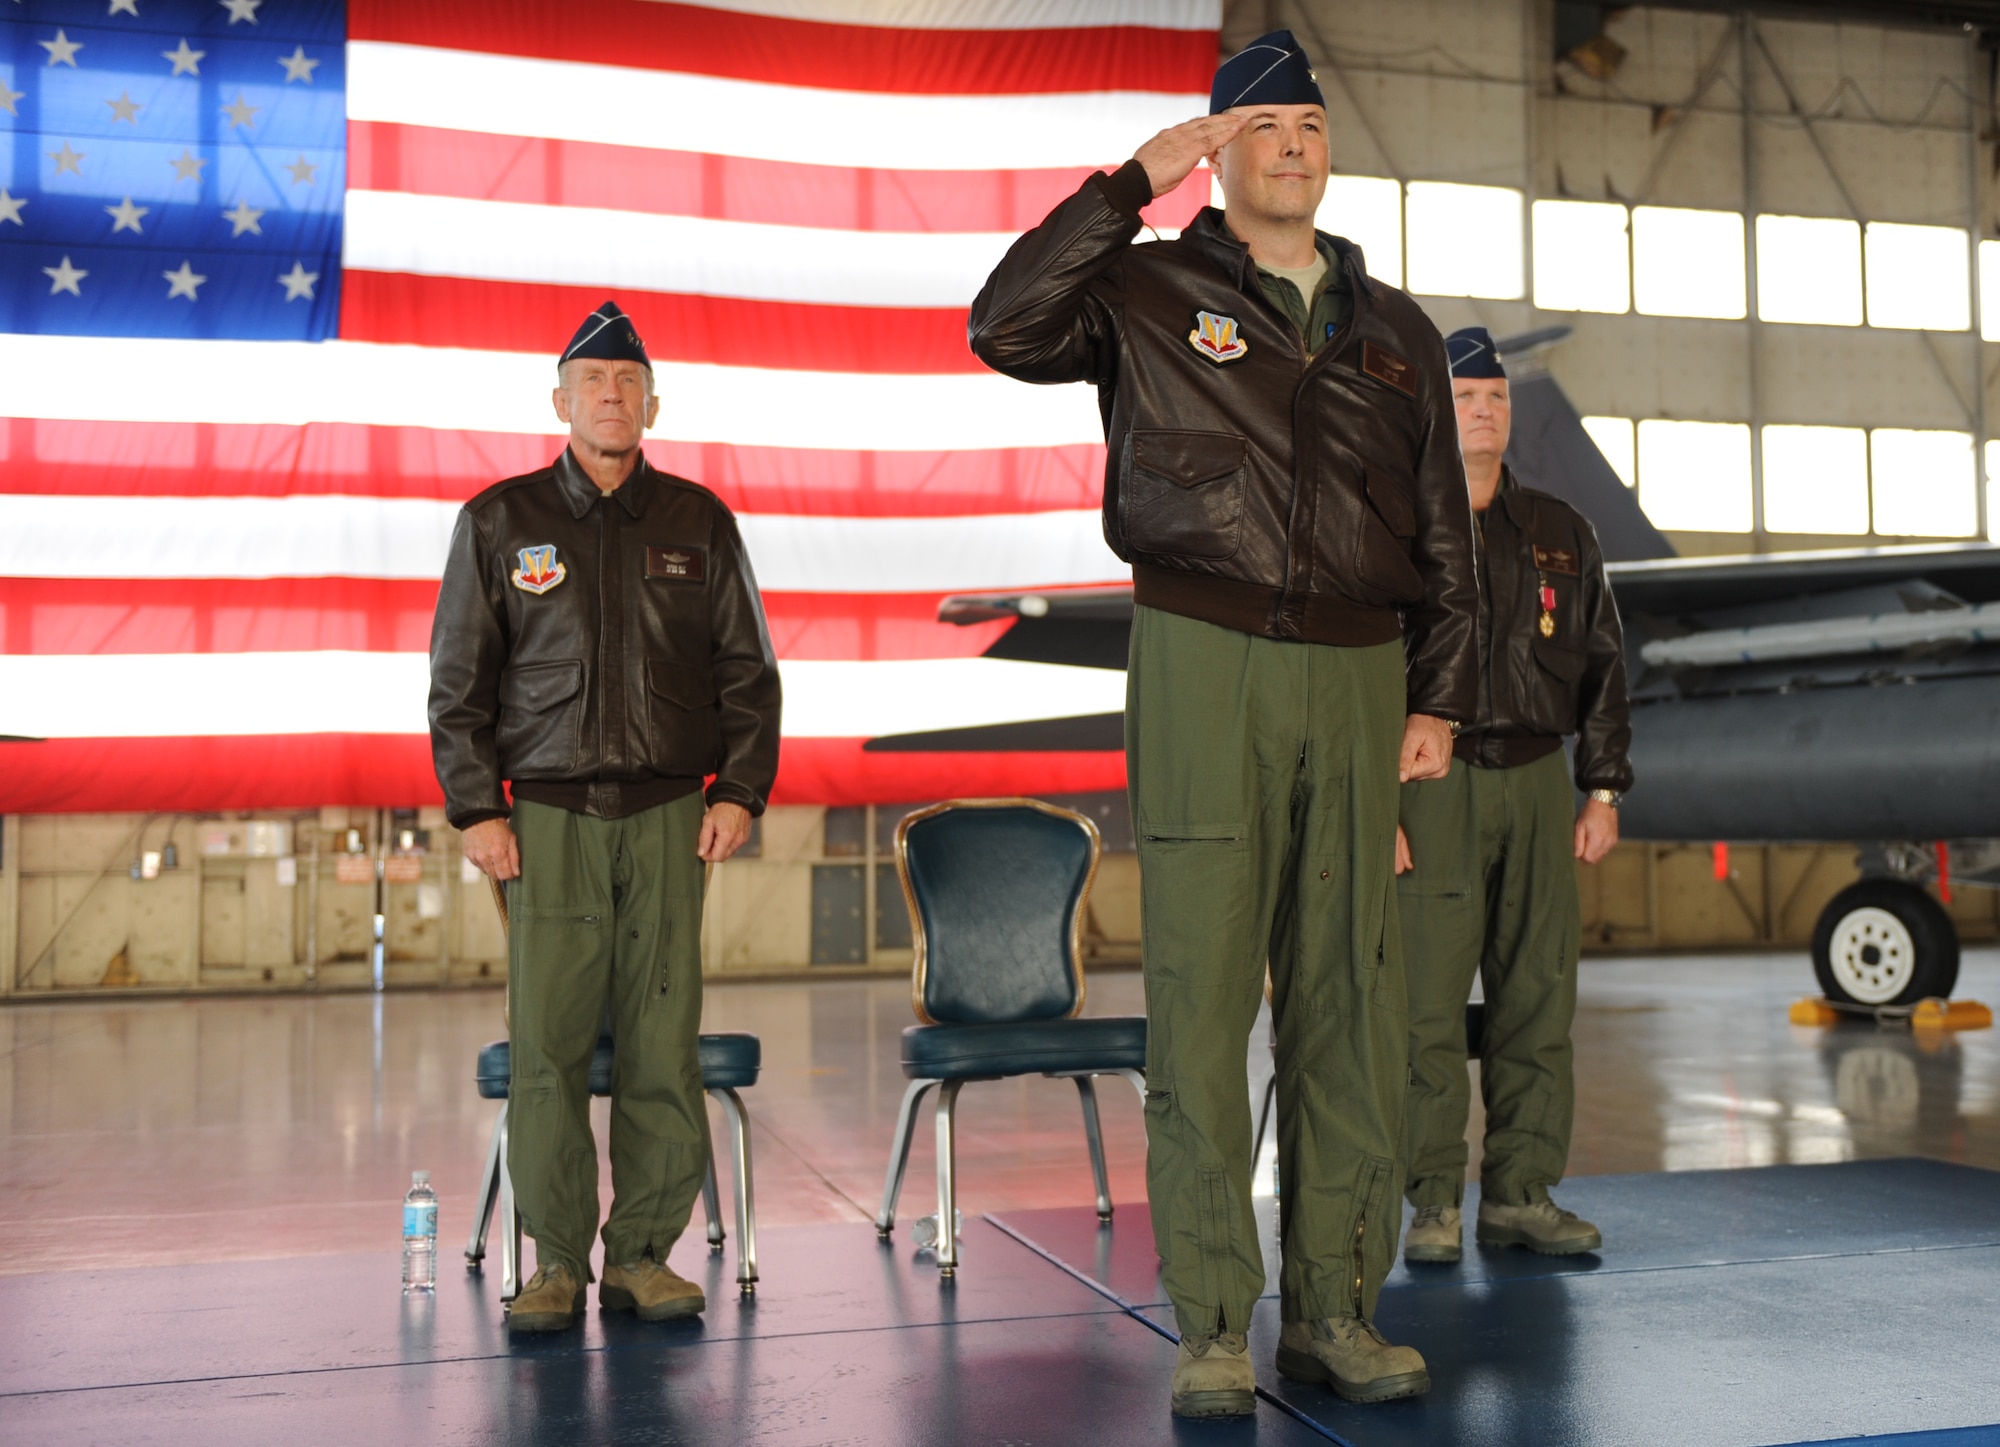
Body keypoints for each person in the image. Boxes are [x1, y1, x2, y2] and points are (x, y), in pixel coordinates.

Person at [970, 30, 1478, 1417]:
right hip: (1201, 651)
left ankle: (1332, 1309)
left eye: (1311, 123)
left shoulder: (1398, 333)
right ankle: (1208, 1319)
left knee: (1351, 1006)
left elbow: (1445, 532)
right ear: (1219, 149)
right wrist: (1123, 185)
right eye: (1264, 126)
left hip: (1360, 674)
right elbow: (1003, 324)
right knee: (1199, 1004)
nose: (1294, 144)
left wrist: (1435, 694)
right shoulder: (1142, 287)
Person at [428, 300, 781, 1334]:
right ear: (560, 401)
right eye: (593, 383)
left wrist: (741, 789)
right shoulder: (500, 521)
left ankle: (640, 1256)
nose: (612, 397)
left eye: (629, 382)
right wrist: (471, 807)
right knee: (546, 1046)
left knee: (660, 1042)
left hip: (673, 813)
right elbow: (460, 679)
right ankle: (552, 1265)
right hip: (544, 820)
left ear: (653, 403)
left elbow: (745, 671)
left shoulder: (697, 521)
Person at [1396, 326, 1633, 1266]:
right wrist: (1383, 802)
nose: (1485, 409)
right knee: (1424, 1005)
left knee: (1538, 996)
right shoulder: (1402, 529)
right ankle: (1431, 1204)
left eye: (1495, 396)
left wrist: (1603, 786)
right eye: (1464, 398)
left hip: (1539, 777)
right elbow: (1366, 664)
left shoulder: (1562, 534)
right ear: (1434, 414)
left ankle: (1521, 1194)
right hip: (1433, 782)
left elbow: (1606, 663)